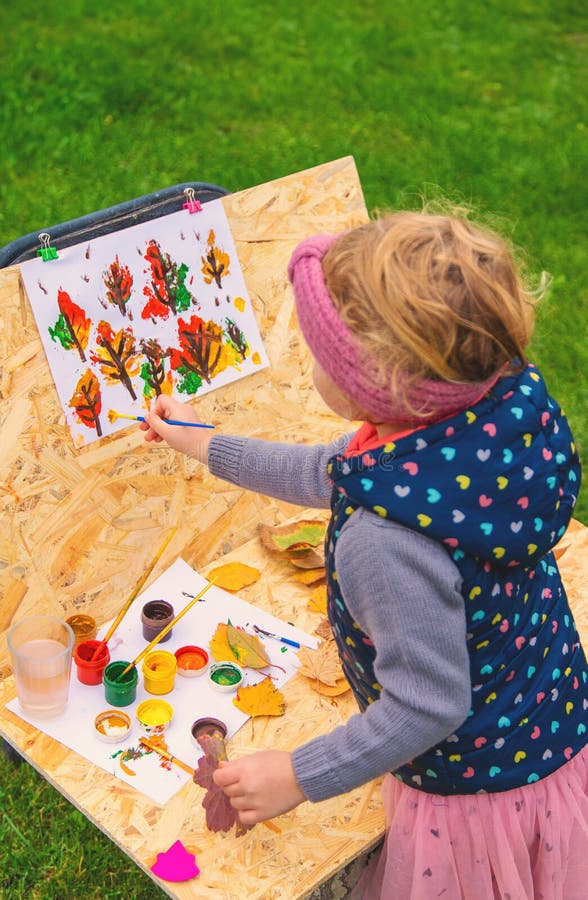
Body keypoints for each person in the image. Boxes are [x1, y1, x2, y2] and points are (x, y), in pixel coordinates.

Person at [141, 209, 588, 898]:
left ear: (378, 389)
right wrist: (202, 444)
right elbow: (328, 470)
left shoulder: (384, 544)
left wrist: (297, 774)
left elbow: (427, 706)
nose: (310, 362)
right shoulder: (485, 419)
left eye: (319, 354)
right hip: (545, 720)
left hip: (475, 791)